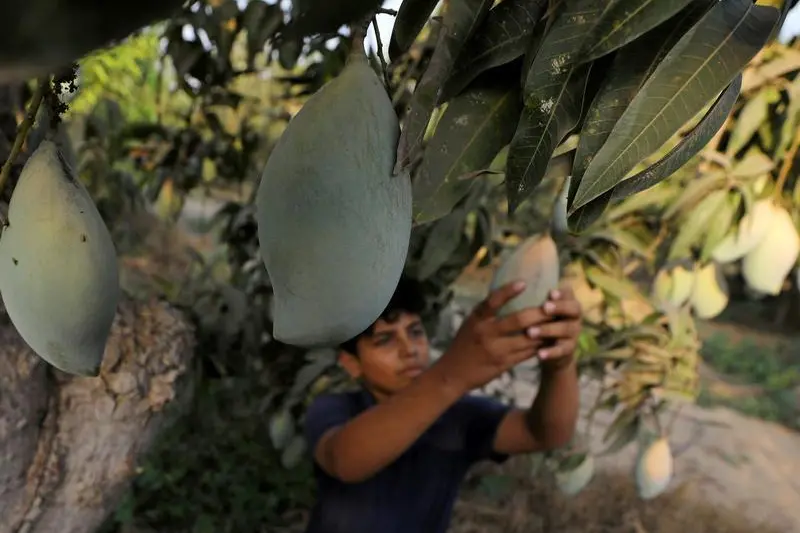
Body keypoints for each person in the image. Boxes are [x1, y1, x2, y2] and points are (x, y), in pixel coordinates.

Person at [302, 275, 582, 533]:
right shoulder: (334, 408)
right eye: (385, 340)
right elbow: (345, 460)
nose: (409, 349)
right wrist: (450, 376)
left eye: (415, 332)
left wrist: (560, 364)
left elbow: (544, 433)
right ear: (351, 363)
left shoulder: (457, 415)